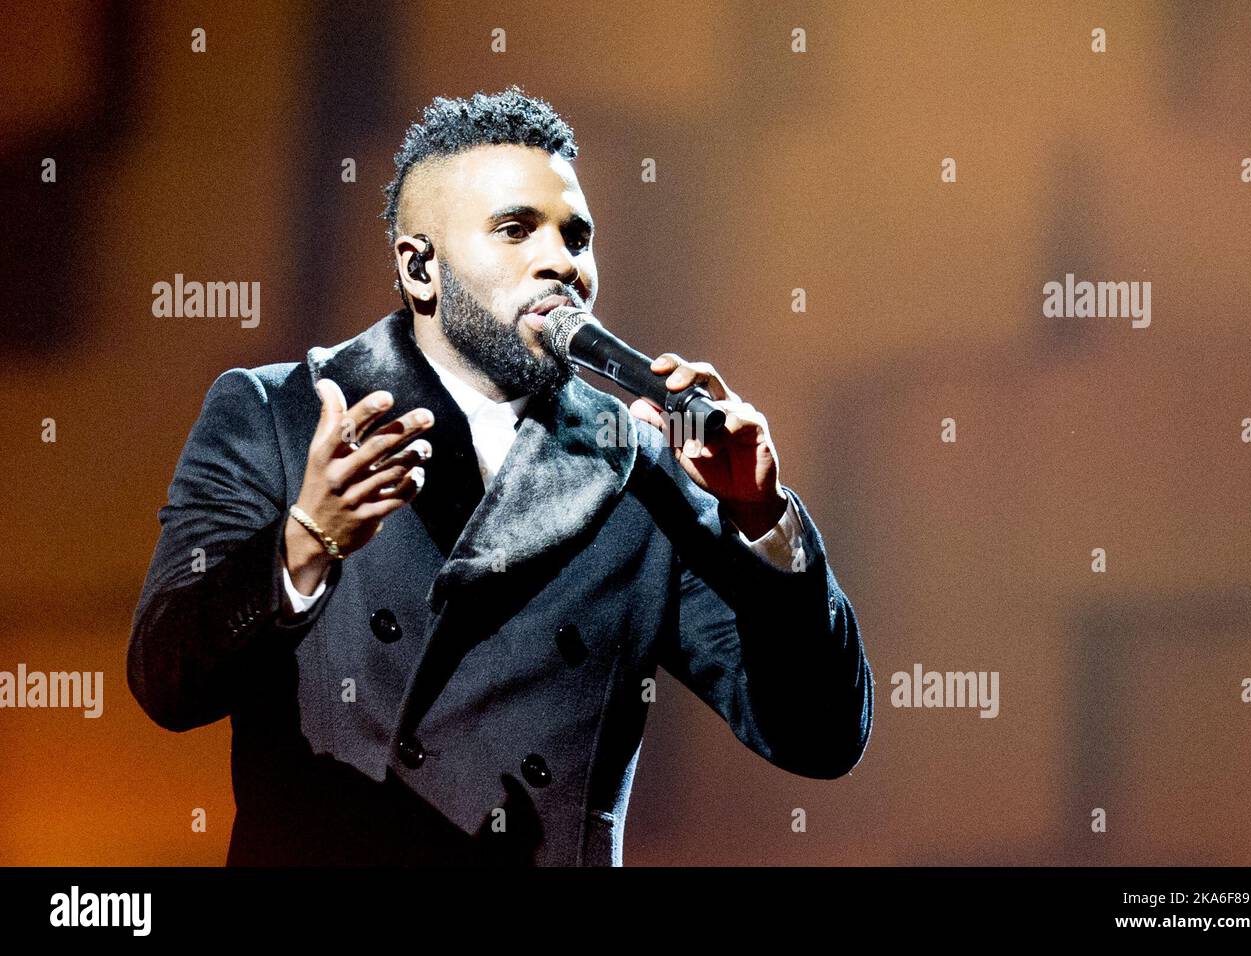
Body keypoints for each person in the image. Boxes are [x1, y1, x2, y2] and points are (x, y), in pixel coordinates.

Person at [127, 85, 873, 866]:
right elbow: (166, 680)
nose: (562, 262)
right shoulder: (280, 414)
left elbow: (820, 739)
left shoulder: (640, 470)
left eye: (577, 238)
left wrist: (760, 517)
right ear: (421, 268)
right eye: (517, 229)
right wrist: (301, 548)